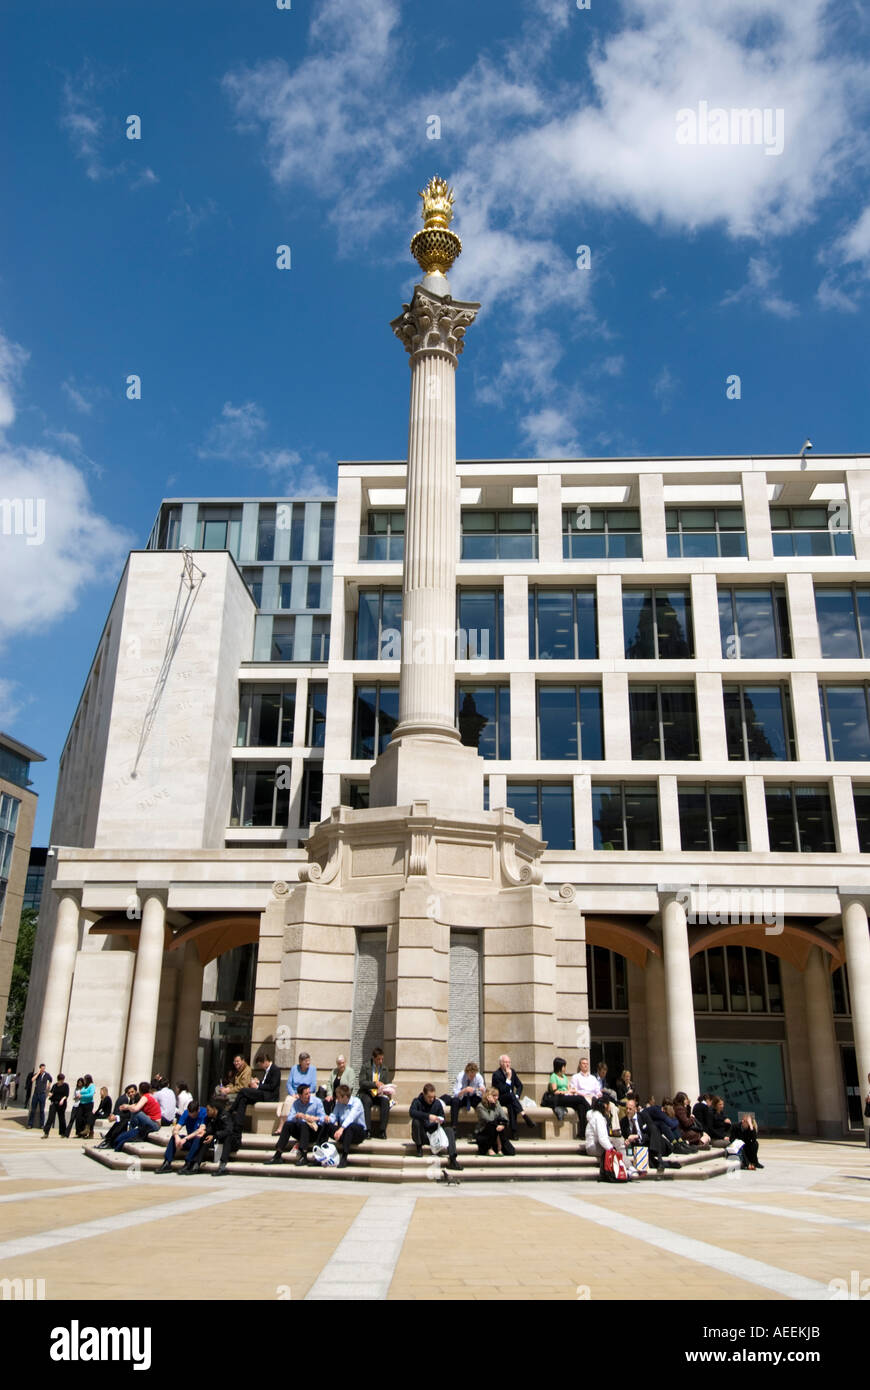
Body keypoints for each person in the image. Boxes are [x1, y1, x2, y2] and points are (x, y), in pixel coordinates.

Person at [270, 1083, 327, 1165]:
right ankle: (278, 1154)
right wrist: (296, 1117)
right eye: (306, 1094)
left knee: (304, 1124)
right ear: (300, 1095)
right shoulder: (296, 1103)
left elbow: (323, 1118)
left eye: (309, 1093)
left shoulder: (317, 1102)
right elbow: (290, 1118)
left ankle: (304, 1155)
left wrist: (313, 1118)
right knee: (287, 1124)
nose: (308, 1095)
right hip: (300, 1131)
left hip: (313, 1131)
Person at [410, 1083, 462, 1170]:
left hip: (435, 1134)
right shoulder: (417, 1101)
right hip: (423, 1135)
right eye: (429, 1097)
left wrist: (439, 1120)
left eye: (433, 1097)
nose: (431, 1099)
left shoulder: (437, 1103)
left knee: (449, 1130)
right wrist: (428, 1116)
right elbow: (412, 1112)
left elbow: (443, 1117)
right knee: (416, 1122)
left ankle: (453, 1158)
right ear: (424, 1095)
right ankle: (419, 1148)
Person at [228, 1052, 282, 1125]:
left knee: (243, 1090)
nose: (260, 1067)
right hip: (263, 1093)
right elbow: (265, 1083)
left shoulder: (275, 1069)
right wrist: (257, 1082)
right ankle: (238, 1123)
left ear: (265, 1062)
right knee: (243, 1099)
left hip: (269, 1096)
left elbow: (272, 1086)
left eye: (260, 1064)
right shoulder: (266, 1070)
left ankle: (231, 1110)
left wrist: (257, 1086)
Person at [157, 1099, 209, 1173]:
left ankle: (188, 1162)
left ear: (198, 1110)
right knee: (173, 1138)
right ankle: (167, 1162)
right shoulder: (186, 1113)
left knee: (198, 1137)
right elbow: (176, 1127)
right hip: (189, 1140)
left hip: (199, 1141)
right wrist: (177, 1137)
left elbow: (200, 1130)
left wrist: (186, 1138)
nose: (191, 1117)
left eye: (194, 1115)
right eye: (190, 1115)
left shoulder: (204, 1113)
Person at [585, 1096, 631, 1176]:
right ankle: (629, 1167)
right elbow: (602, 1139)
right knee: (617, 1142)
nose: (611, 1107)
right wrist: (612, 1149)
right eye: (610, 1104)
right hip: (593, 1147)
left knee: (617, 1142)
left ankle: (628, 1166)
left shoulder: (596, 1115)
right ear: (605, 1105)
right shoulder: (599, 1118)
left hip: (592, 1145)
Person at [323, 1084, 366, 1167]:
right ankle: (320, 1151)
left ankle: (344, 1156)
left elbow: (351, 1118)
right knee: (327, 1125)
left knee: (350, 1126)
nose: (337, 1099)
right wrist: (328, 1119)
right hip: (344, 1132)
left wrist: (341, 1129)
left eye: (338, 1097)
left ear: (345, 1097)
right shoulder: (339, 1103)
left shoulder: (357, 1102)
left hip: (358, 1132)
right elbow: (334, 1116)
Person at [491, 1054, 535, 1138]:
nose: (508, 1064)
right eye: (505, 1062)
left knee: (511, 1107)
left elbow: (520, 1085)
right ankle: (524, 1115)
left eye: (509, 1062)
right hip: (500, 1098)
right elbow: (503, 1090)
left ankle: (514, 1132)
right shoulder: (496, 1075)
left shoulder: (512, 1072)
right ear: (501, 1063)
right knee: (511, 1096)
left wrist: (517, 1095)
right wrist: (508, 1078)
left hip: (511, 1099)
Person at [113, 1081, 162, 1151]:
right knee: (134, 1111)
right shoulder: (150, 1096)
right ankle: (131, 1130)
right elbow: (135, 1105)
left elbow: (136, 1108)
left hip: (154, 1125)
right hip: (155, 1123)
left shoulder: (145, 1097)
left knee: (136, 1112)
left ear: (140, 1090)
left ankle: (131, 1129)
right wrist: (128, 1106)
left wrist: (127, 1107)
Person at [357, 1047, 395, 1139]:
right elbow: (362, 1083)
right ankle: (367, 1130)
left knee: (385, 1102)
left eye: (382, 1059)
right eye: (378, 1059)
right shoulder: (366, 1067)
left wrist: (385, 1088)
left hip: (379, 1094)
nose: (380, 1061)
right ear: (373, 1058)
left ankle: (382, 1131)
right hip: (367, 1093)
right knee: (366, 1102)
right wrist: (375, 1084)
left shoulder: (385, 1068)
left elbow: (386, 1082)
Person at [542, 1057, 589, 1126]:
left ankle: (582, 1132)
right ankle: (591, 1111)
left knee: (581, 1106)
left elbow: (568, 1088)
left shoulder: (564, 1077)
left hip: (567, 1096)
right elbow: (555, 1091)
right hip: (559, 1097)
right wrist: (566, 1092)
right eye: (564, 1066)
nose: (565, 1068)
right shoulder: (553, 1076)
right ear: (559, 1067)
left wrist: (571, 1091)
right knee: (581, 1098)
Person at [474, 1087, 515, 1156]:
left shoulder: (497, 1104)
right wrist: (492, 1105)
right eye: (494, 1096)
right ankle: (489, 1148)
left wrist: (503, 1125)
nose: (496, 1098)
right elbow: (489, 1119)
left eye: (497, 1096)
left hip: (497, 1131)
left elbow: (505, 1118)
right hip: (484, 1133)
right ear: (488, 1096)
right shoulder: (480, 1107)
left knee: (511, 1152)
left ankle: (500, 1147)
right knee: (492, 1125)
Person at [450, 1061, 486, 1128]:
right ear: (467, 1073)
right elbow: (456, 1094)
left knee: (481, 1103)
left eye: (474, 1076)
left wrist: (482, 1090)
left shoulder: (478, 1077)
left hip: (473, 1096)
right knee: (454, 1101)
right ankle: (454, 1126)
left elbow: (483, 1092)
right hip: (462, 1097)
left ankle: (482, 1126)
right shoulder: (461, 1076)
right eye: (470, 1076)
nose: (472, 1078)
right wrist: (464, 1090)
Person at [26, 1063, 52, 1129]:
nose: (43, 1069)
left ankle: (42, 1124)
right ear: (40, 1068)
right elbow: (32, 1080)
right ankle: (30, 1124)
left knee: (42, 1110)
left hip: (42, 1094)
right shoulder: (37, 1074)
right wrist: (38, 1073)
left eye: (44, 1068)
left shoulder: (47, 1074)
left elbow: (51, 1079)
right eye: (42, 1068)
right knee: (33, 1110)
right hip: (36, 1094)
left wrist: (48, 1086)